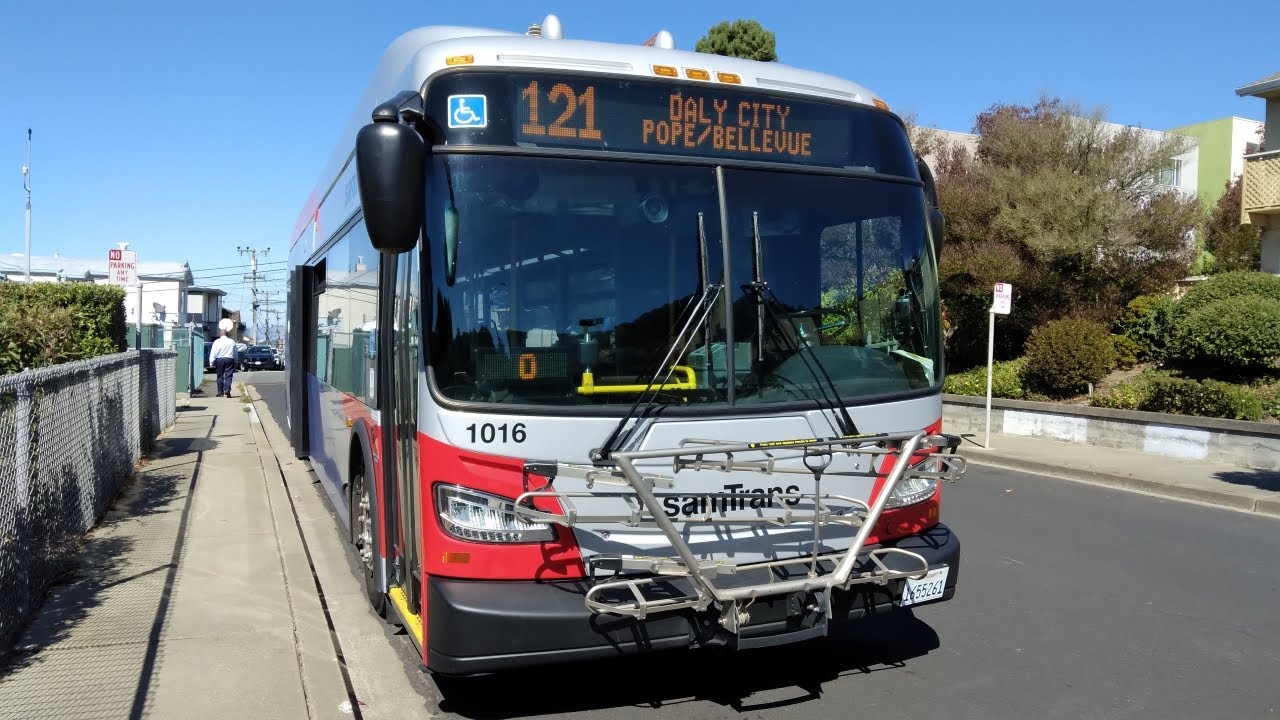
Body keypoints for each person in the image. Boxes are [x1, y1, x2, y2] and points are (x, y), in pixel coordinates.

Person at [209, 326, 238, 398]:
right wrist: (236, 360)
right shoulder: (231, 341)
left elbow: (213, 352)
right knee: (228, 375)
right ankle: (227, 390)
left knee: (220, 376)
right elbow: (235, 352)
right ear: (227, 334)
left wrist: (211, 362)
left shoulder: (217, 341)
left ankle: (220, 392)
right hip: (229, 359)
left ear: (220, 334)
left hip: (219, 359)